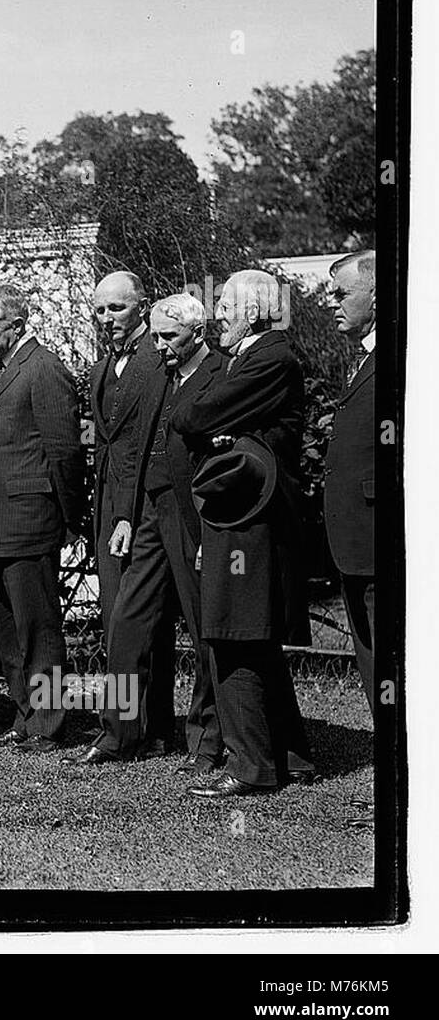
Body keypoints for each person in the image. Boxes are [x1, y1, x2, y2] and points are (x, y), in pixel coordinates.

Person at [172, 270, 315, 798]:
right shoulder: (259, 358)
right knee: (254, 637)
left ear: (253, 312)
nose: (217, 316)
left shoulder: (268, 359)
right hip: (249, 515)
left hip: (249, 521)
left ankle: (251, 766)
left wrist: (220, 428)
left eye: (227, 306)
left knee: (233, 634)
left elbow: (192, 413)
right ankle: (291, 756)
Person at [64, 293, 222, 771]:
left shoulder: (210, 370)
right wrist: (127, 517)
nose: (159, 345)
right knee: (127, 622)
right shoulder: (156, 366)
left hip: (189, 510)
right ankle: (120, 734)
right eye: (155, 337)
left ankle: (208, 741)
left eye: (168, 336)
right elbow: (139, 447)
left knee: (204, 625)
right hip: (147, 510)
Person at [0, 287, 86, 755]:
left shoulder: (44, 368)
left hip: (30, 520)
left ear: (17, 324)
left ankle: (48, 722)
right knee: (9, 631)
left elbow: (65, 451)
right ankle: (25, 715)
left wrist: (71, 516)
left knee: (38, 629)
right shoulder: (9, 369)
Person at [88, 271, 177, 752]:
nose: (107, 319)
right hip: (108, 505)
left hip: (143, 506)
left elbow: (148, 447)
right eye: (100, 310)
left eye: (117, 309)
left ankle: (120, 732)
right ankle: (153, 729)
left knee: (132, 620)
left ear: (142, 306)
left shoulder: (158, 361)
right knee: (117, 618)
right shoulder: (103, 365)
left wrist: (127, 512)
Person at [325, 249, 377, 826]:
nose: (333, 303)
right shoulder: (363, 360)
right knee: (372, 658)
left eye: (341, 294)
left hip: (378, 537)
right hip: (356, 540)